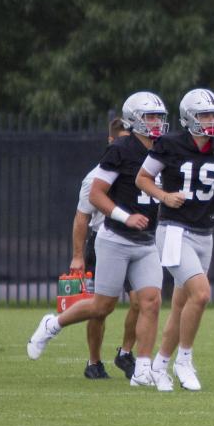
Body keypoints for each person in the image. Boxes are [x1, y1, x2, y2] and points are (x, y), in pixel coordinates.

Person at [27, 92, 168, 390]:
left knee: (150, 302)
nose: (156, 123)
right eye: (150, 117)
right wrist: (123, 216)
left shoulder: (164, 150)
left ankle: (142, 367)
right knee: (102, 307)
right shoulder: (121, 149)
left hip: (146, 241)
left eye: (159, 117)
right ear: (134, 119)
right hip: (115, 239)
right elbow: (96, 195)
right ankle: (53, 325)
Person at [134, 88, 214, 392]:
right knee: (202, 294)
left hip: (204, 233)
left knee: (182, 304)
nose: (211, 120)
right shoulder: (169, 145)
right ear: (189, 118)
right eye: (205, 114)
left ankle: (159, 364)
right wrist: (164, 196)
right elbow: (142, 178)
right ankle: (184, 359)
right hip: (174, 230)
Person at [69, 117, 140, 379]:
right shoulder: (94, 178)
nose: (126, 146)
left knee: (142, 301)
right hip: (102, 243)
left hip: (133, 240)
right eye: (121, 141)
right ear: (111, 142)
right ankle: (94, 361)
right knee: (101, 308)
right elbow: (81, 218)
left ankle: (125, 354)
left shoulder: (138, 171)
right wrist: (78, 256)